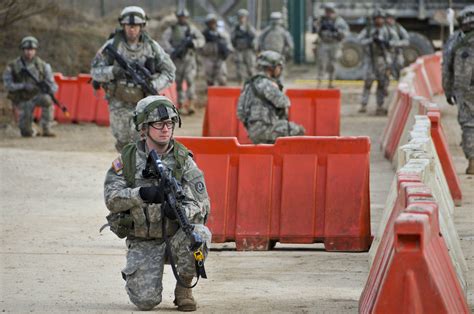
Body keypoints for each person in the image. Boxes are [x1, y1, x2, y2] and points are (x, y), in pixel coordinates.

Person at [104, 95, 211, 311]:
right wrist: (142, 193)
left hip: (174, 237)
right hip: (143, 239)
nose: (166, 129)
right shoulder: (128, 160)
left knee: (199, 234)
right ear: (144, 128)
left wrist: (179, 210)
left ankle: (184, 289)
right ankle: (142, 271)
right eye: (159, 124)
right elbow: (111, 199)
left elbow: (202, 203)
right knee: (145, 302)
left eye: (170, 123)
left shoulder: (183, 159)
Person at [91, 6, 175, 152]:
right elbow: (95, 71)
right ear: (123, 26)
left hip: (144, 102)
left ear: (142, 26)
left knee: (142, 140)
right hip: (119, 102)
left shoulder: (152, 47)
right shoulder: (112, 46)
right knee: (123, 140)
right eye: (129, 26)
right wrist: (113, 71)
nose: (132, 29)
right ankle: (127, 169)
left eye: (135, 26)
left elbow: (170, 72)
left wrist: (153, 84)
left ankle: (140, 170)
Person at [236, 51, 305, 144]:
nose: (280, 69)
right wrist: (279, 88)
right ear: (271, 68)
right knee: (298, 130)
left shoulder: (248, 84)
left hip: (252, 132)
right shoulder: (267, 84)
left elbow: (240, 113)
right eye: (279, 66)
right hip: (267, 130)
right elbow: (284, 103)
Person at [3, 36, 57, 137]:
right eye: (27, 49)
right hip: (22, 99)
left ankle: (46, 127)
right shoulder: (13, 66)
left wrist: (49, 89)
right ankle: (33, 128)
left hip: (37, 96)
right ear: (23, 50)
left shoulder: (43, 65)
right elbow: (8, 85)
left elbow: (52, 84)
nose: (29, 52)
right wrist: (23, 86)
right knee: (26, 133)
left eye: (32, 50)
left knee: (48, 100)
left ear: (35, 50)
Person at [442, 5, 474, 174]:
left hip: (464, 89)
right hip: (464, 89)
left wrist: (447, 90)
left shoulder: (455, 40)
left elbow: (446, 69)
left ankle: (472, 161)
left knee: (469, 125)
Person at [161, 9, 205, 116]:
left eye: (184, 17)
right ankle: (180, 104)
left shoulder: (191, 29)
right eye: (180, 17)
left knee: (190, 80)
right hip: (177, 60)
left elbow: (201, 40)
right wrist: (172, 50)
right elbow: (164, 41)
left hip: (189, 59)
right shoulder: (172, 29)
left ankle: (191, 103)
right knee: (179, 83)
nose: (182, 19)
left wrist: (193, 43)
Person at [357, 9, 397, 115]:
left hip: (382, 60)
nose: (379, 20)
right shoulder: (369, 30)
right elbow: (359, 40)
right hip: (370, 59)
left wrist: (387, 43)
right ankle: (363, 104)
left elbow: (396, 42)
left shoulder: (388, 30)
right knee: (368, 82)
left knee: (381, 83)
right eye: (377, 18)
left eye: (380, 18)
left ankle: (380, 105)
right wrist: (371, 40)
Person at [312, 2, 349, 88]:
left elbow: (346, 32)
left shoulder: (339, 21)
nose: (328, 14)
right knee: (321, 63)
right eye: (327, 11)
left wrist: (336, 31)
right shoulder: (322, 20)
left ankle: (331, 82)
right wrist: (320, 26)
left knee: (333, 64)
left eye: (330, 12)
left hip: (334, 44)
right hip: (324, 43)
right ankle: (319, 82)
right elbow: (315, 29)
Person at [199, 13, 233, 86]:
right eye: (210, 23)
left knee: (222, 77)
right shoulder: (204, 34)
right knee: (209, 77)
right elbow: (199, 45)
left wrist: (227, 51)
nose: (212, 25)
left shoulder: (221, 34)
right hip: (208, 58)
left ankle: (222, 93)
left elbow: (228, 44)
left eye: (213, 23)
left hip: (220, 58)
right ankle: (211, 93)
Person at [231, 8, 257, 84]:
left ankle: (253, 83)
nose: (242, 19)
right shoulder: (235, 28)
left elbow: (255, 37)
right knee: (239, 67)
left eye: (243, 17)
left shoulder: (249, 28)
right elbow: (232, 38)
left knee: (250, 67)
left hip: (248, 50)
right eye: (240, 17)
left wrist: (254, 45)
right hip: (239, 50)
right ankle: (240, 82)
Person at [385, 10, 410, 80]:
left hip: (397, 52)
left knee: (400, 64)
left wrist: (395, 43)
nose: (390, 20)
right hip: (386, 53)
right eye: (388, 18)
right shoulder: (383, 28)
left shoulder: (398, 28)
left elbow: (407, 41)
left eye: (392, 18)